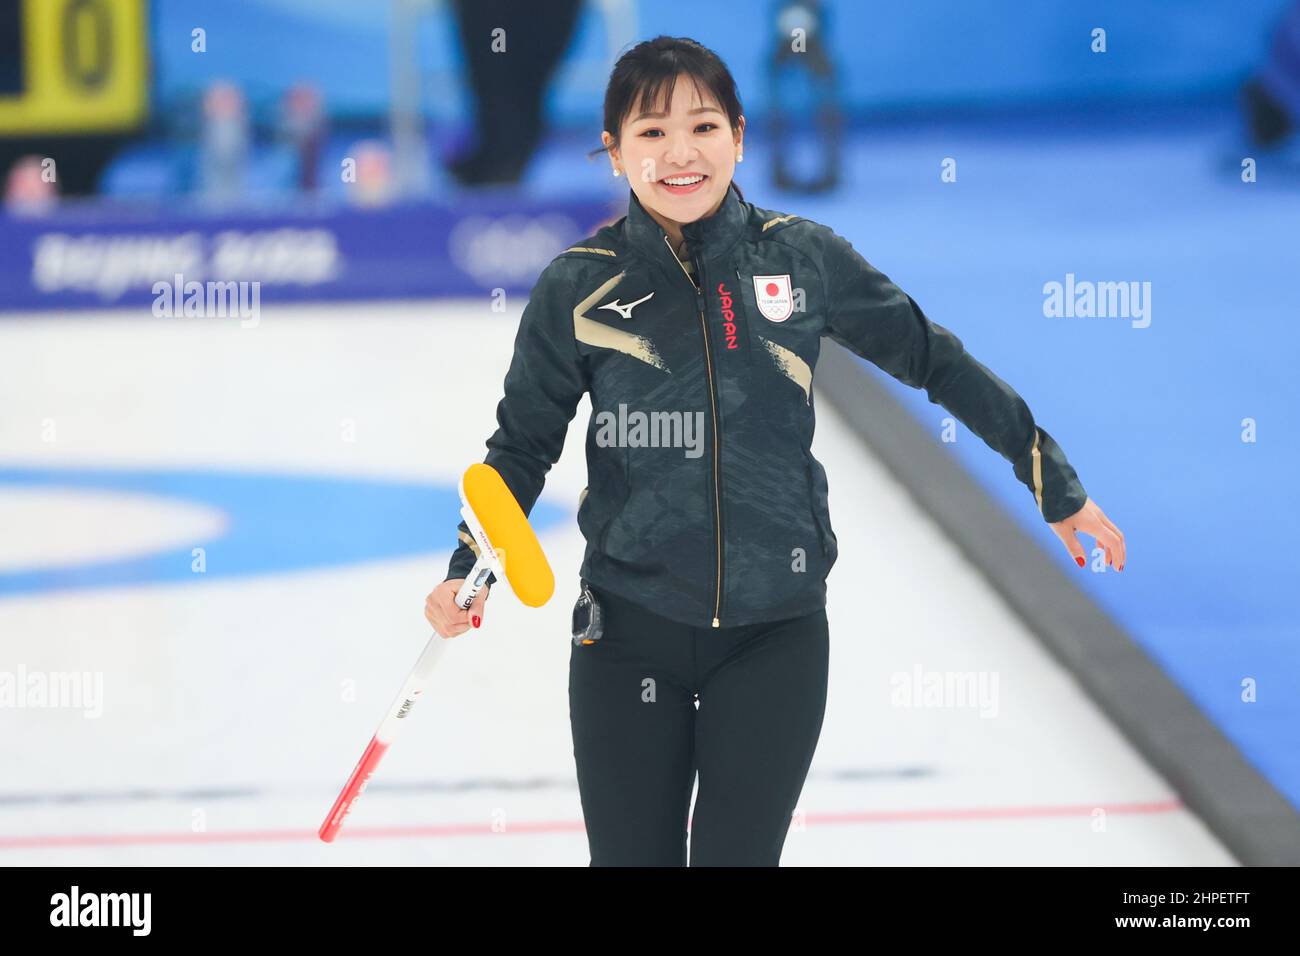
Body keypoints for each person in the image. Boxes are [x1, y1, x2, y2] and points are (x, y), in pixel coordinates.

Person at [424, 36, 1126, 866]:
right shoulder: (578, 287)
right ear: (613, 152)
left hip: (775, 639)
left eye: (704, 125)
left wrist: (1053, 480)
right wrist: (470, 564)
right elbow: (521, 446)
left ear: (741, 137)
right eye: (650, 133)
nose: (681, 153)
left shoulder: (803, 259)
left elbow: (935, 359)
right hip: (623, 636)